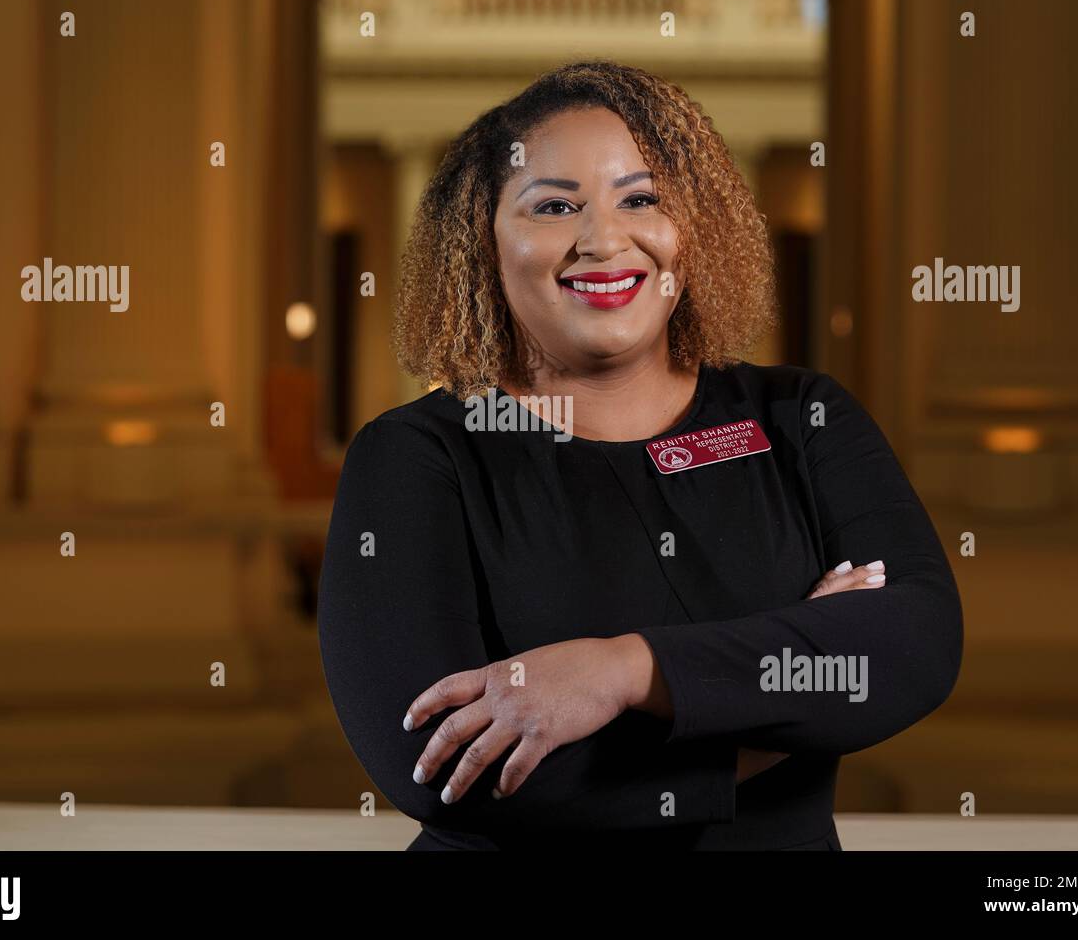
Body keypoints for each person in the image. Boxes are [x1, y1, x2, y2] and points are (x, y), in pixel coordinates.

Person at [318, 60, 962, 850]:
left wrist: (623, 672)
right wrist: (787, 704)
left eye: (642, 199)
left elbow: (915, 643)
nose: (603, 240)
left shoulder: (804, 416)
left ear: (695, 231)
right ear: (483, 242)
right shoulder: (414, 458)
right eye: (554, 205)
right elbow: (441, 765)